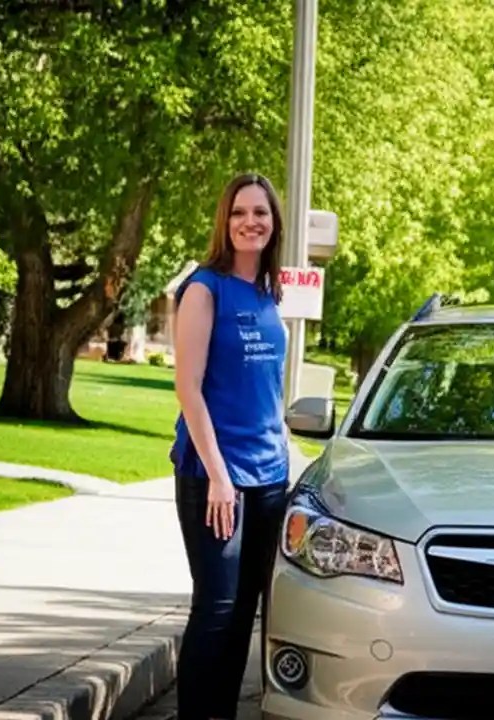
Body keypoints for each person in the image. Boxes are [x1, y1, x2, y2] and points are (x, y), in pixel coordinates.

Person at [169, 173, 291, 720]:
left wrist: (287, 446)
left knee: (246, 612)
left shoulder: (270, 292)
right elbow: (188, 388)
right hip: (216, 477)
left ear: (273, 222)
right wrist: (219, 475)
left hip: (269, 478)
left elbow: (265, 388)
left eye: (260, 213)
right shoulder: (205, 287)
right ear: (225, 220)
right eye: (240, 212)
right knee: (216, 609)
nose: (250, 222)